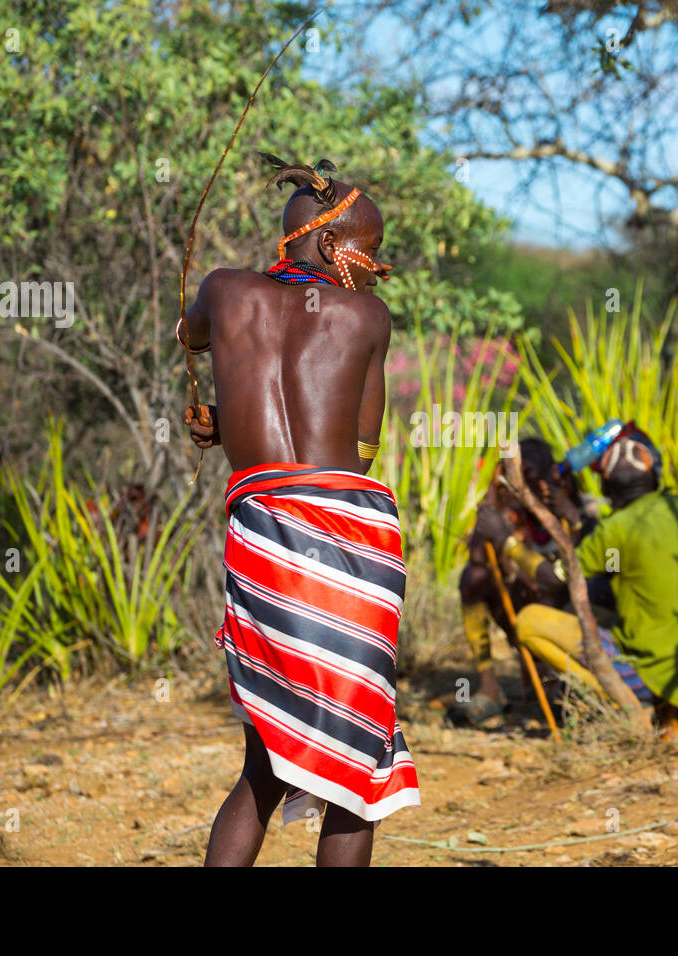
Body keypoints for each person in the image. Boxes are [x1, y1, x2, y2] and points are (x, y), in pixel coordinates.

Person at [181, 156, 418, 867]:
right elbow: (362, 450)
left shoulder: (224, 291)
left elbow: (191, 335)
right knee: (355, 765)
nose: (372, 269)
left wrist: (229, 420)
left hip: (264, 535)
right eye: (363, 251)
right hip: (355, 544)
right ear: (319, 239)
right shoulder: (367, 317)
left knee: (265, 761)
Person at [473, 424, 678, 732]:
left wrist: (505, 541)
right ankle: (669, 705)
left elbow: (555, 578)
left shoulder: (614, 529)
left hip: (655, 673)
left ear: (606, 488)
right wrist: (575, 520)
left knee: (529, 622)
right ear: (654, 476)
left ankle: (626, 703)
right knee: (582, 610)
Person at [455, 437, 598, 724]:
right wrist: (492, 500)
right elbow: (479, 560)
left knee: (554, 593)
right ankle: (490, 688)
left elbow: (561, 580)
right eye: (516, 475)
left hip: (572, 615)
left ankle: (569, 689)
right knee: (474, 577)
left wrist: (570, 514)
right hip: (527, 610)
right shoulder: (511, 512)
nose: (525, 484)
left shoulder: (580, 508)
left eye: (532, 475)